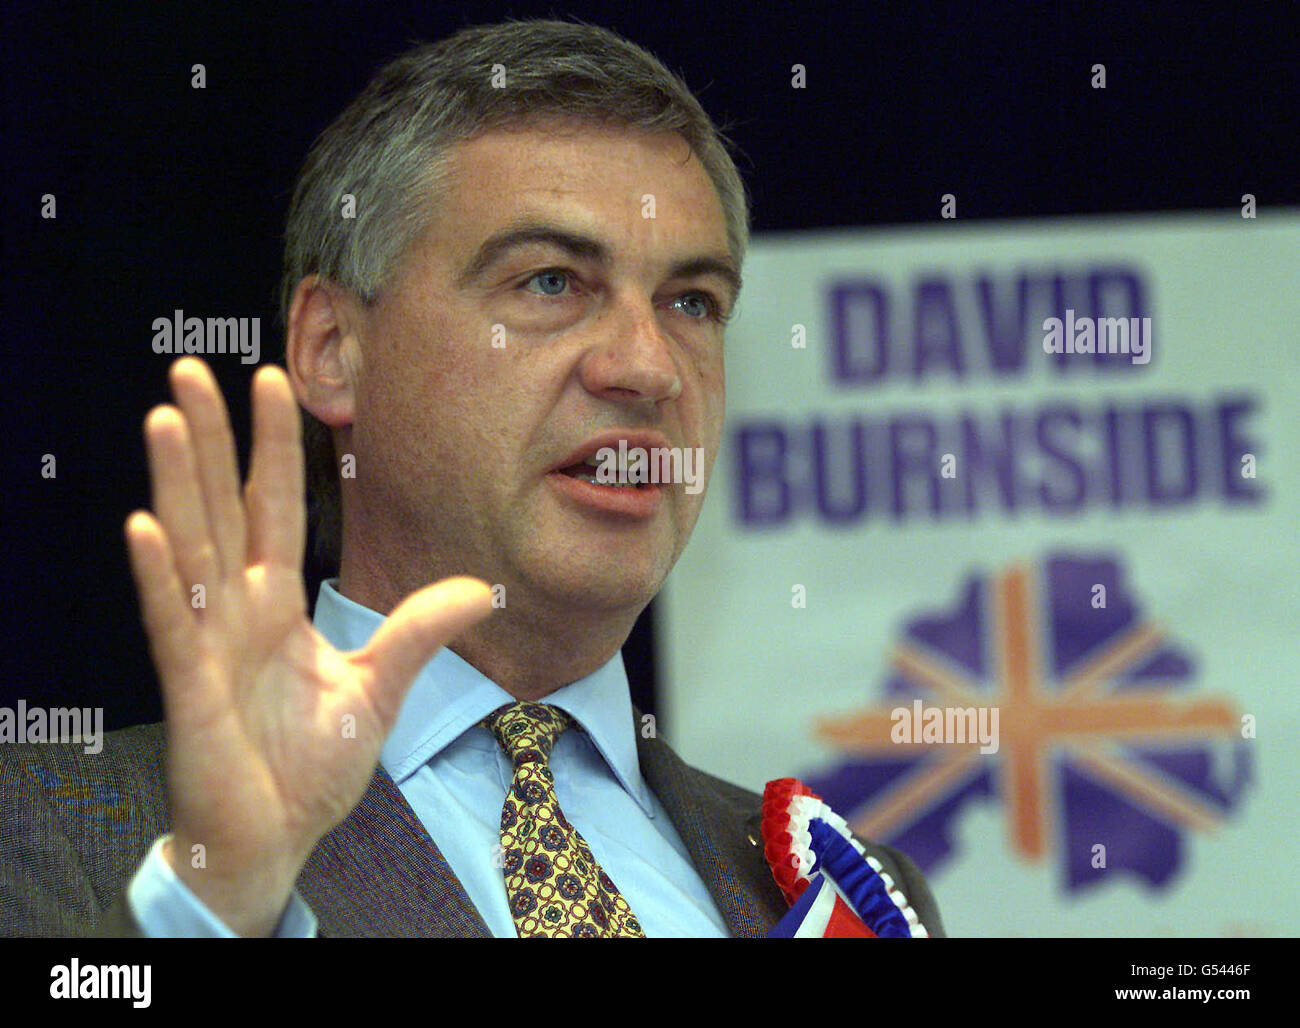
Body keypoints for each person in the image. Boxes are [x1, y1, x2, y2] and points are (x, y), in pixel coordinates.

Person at [0, 18, 944, 938]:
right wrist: (219, 912)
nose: (649, 366)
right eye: (551, 282)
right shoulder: (54, 831)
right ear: (333, 348)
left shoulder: (848, 891)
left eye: (691, 302)